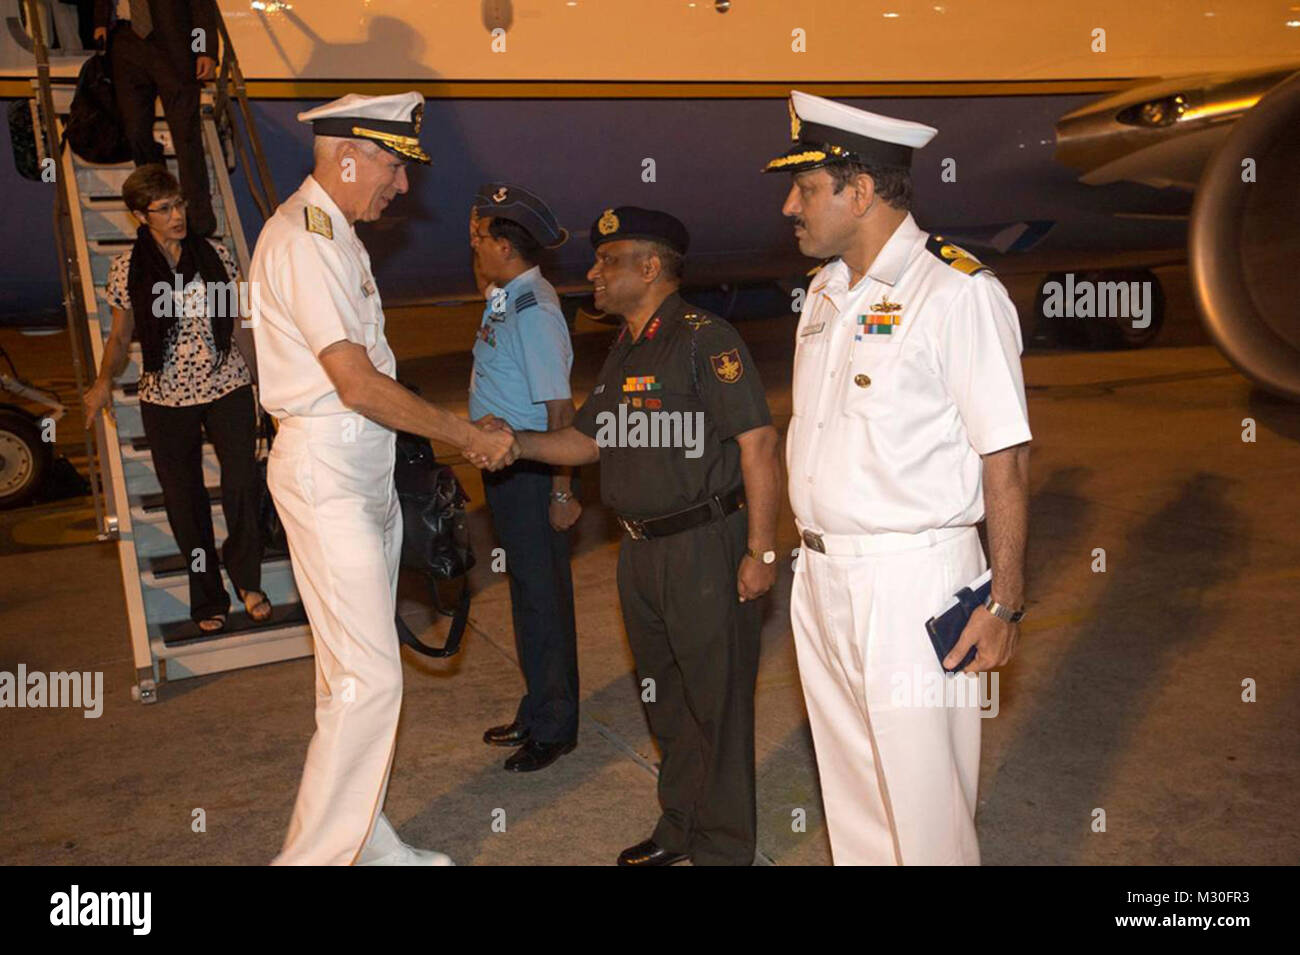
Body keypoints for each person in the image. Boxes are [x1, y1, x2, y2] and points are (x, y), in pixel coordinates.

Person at [763, 90, 1032, 865]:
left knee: (925, 807)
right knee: (854, 796)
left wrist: (1006, 601)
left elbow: (1005, 456)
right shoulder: (823, 292)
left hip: (912, 582)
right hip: (820, 576)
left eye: (806, 188)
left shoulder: (956, 293)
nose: (790, 205)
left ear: (862, 191)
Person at [249, 91, 513, 866]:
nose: (402, 187)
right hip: (329, 468)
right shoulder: (303, 240)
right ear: (349, 157)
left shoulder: (340, 237)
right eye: (395, 168)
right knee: (369, 680)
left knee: (349, 679)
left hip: (361, 468)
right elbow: (356, 383)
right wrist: (466, 435)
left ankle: (367, 843)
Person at [475, 207, 782, 866]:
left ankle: (725, 848)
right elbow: (588, 439)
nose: (593, 273)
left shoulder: (706, 339)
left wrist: (762, 549)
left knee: (715, 705)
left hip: (705, 547)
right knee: (667, 701)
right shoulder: (625, 346)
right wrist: (513, 442)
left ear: (650, 266)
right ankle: (680, 826)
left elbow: (758, 445)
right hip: (639, 551)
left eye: (607, 260)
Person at [83, 163, 266, 633]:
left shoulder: (215, 255)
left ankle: (247, 577)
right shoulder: (128, 269)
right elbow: (121, 338)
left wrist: (263, 387)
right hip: (165, 397)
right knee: (185, 503)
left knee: (243, 482)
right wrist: (104, 380)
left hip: (226, 385)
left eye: (179, 204)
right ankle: (208, 595)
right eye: (163, 209)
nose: (177, 215)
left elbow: (239, 325)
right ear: (141, 216)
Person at [468, 183, 581, 773]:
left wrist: (563, 491)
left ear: (507, 249)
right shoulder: (505, 295)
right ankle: (537, 706)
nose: (476, 246)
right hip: (505, 468)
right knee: (527, 596)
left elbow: (560, 411)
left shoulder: (534, 310)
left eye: (482, 238)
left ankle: (556, 727)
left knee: (545, 602)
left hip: (536, 473)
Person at [93, 0, 219, 237]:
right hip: (125, 39)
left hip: (174, 42)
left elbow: (201, 5)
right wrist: (100, 22)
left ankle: (199, 221)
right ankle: (158, 205)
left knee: (186, 136)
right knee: (135, 132)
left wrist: (205, 50)